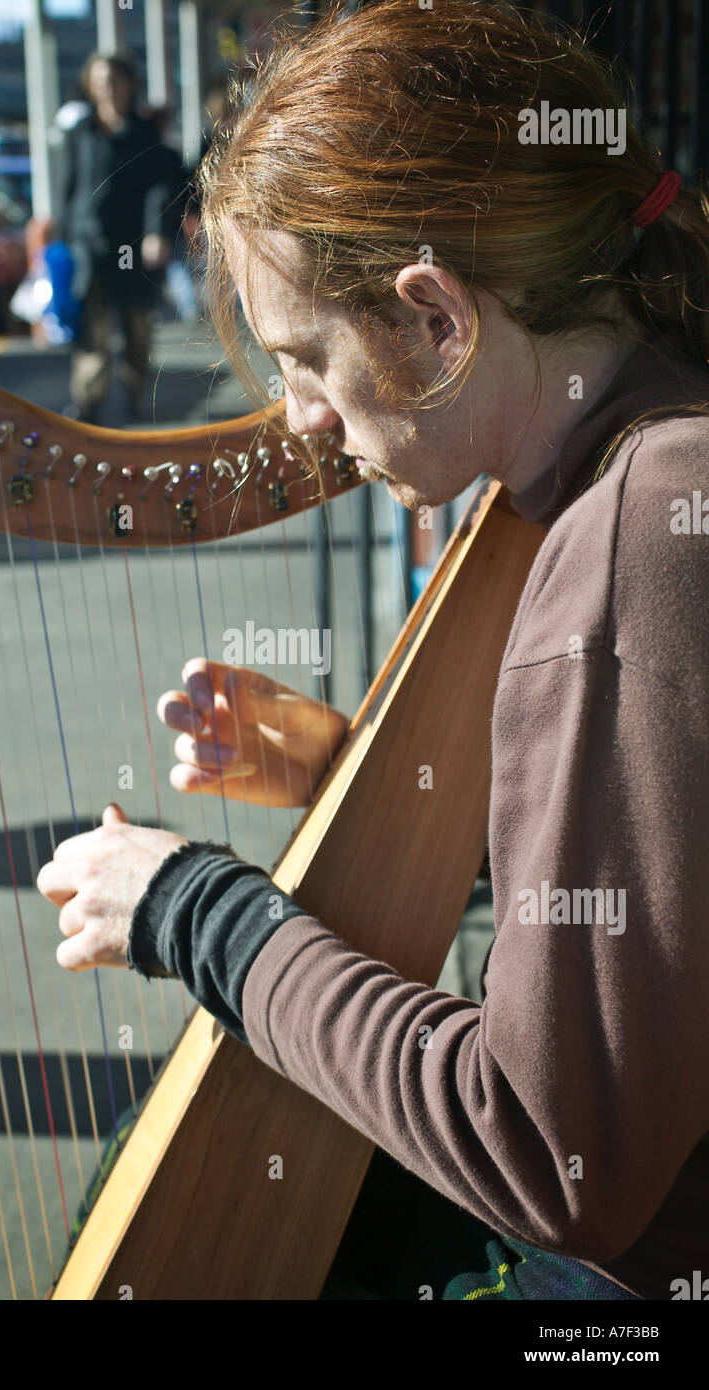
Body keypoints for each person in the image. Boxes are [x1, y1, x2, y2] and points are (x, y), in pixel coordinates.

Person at [37, 0, 709, 1301]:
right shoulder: (651, 432)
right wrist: (349, 765)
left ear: (437, 322)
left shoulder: (639, 535)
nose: (295, 420)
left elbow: (555, 1155)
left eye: (302, 358)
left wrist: (198, 910)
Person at [56, 53, 185, 421]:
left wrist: (158, 234)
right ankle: (88, 401)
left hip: (133, 243)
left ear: (129, 85)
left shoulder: (146, 133)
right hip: (88, 243)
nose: (107, 90)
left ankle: (133, 396)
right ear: (90, 87)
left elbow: (161, 188)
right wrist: (63, 239)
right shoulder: (80, 131)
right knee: (90, 326)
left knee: (136, 324)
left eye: (114, 82)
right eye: (99, 83)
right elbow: (67, 186)